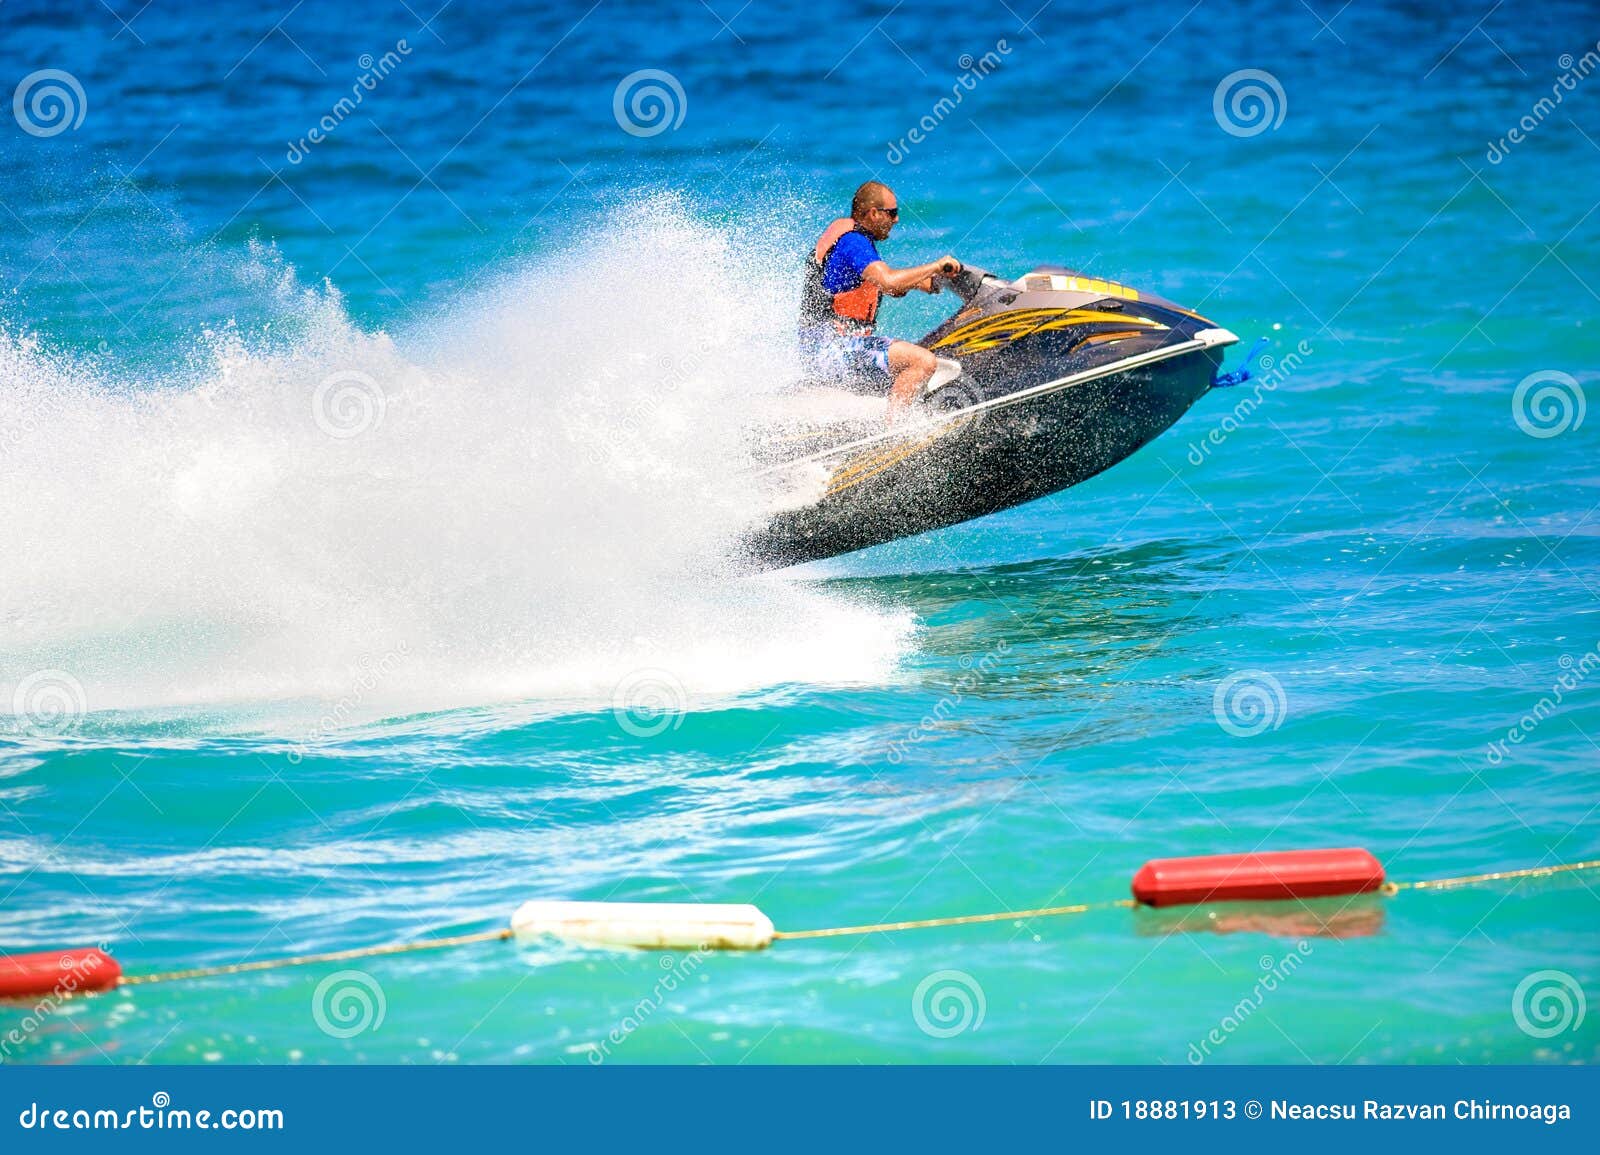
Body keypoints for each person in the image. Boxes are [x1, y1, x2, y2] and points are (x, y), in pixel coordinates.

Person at [799, 181, 962, 415]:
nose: (896, 220)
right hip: (832, 348)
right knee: (920, 361)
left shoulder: (857, 242)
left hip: (828, 349)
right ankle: (896, 432)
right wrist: (935, 265)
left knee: (914, 358)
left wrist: (932, 279)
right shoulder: (853, 243)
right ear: (874, 214)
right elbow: (889, 281)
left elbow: (893, 288)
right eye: (892, 213)